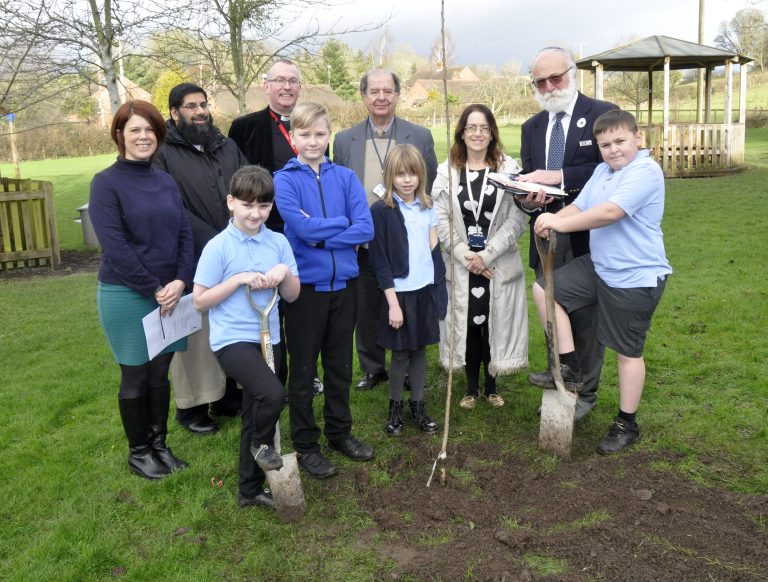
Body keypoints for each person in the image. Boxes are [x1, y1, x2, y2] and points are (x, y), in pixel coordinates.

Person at [533, 109, 671, 454]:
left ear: (638, 138)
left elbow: (610, 212)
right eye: (605, 144)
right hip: (600, 267)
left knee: (626, 353)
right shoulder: (602, 171)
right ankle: (570, 366)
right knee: (544, 290)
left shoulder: (646, 171)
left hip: (634, 276)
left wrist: (560, 225)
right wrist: (553, 218)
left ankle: (627, 423)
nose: (613, 150)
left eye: (619, 141)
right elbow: (580, 206)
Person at [89, 100, 193, 480]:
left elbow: (184, 233)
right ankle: (139, 453)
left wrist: (181, 280)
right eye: (134, 129)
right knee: (136, 374)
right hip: (128, 293)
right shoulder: (106, 183)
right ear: (120, 135)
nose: (143, 136)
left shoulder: (165, 180)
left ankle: (160, 444)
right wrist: (154, 288)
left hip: (171, 293)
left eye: (149, 129)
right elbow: (115, 246)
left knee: (160, 372)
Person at [274, 102, 375, 479]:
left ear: (328, 135)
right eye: (304, 134)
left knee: (339, 367)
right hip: (305, 291)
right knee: (302, 372)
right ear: (293, 137)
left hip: (344, 287)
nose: (313, 141)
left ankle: (339, 432)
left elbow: (365, 228)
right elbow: (299, 231)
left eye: (319, 134)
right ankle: (306, 444)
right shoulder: (284, 180)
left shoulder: (346, 178)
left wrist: (322, 233)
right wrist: (339, 226)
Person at [516, 46, 617, 421]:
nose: (548, 87)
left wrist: (557, 177)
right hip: (545, 238)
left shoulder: (602, 114)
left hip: (588, 237)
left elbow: (610, 170)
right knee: (551, 312)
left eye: (555, 78)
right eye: (540, 81)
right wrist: (526, 198)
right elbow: (528, 182)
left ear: (572, 74)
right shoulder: (532, 127)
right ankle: (561, 378)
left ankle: (586, 394)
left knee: (586, 320)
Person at [193, 165, 300, 508]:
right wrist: (238, 279)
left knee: (256, 410)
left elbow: (293, 295)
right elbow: (199, 301)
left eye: (264, 206)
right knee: (272, 394)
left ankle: (248, 490)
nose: (256, 213)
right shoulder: (218, 247)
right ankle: (261, 445)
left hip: (269, 337)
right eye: (248, 205)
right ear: (231, 203)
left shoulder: (279, 242)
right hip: (232, 340)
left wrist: (283, 273)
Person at [333, 69, 438, 391]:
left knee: (405, 302)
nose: (381, 97)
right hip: (362, 241)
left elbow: (428, 181)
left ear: (397, 95)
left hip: (405, 237)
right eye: (374, 91)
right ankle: (372, 366)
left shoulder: (419, 136)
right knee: (367, 307)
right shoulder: (344, 139)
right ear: (364, 96)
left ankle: (404, 365)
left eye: (387, 91)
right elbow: (339, 189)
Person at [154, 82, 248, 436]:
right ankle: (192, 406)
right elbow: (171, 207)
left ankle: (225, 396)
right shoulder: (164, 152)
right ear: (175, 113)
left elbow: (245, 189)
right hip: (189, 254)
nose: (200, 111)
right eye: (191, 106)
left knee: (228, 324)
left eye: (203, 104)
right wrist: (216, 241)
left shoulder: (226, 146)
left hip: (234, 251)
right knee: (194, 333)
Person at [228, 59, 323, 394]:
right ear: (265, 85)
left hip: (306, 236)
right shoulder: (245, 127)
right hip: (263, 232)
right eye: (280, 80)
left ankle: (305, 373)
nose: (286, 87)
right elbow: (237, 182)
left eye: (293, 81)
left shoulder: (312, 124)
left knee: (301, 310)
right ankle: (265, 380)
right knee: (262, 310)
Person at [432, 104, 529, 409]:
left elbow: (517, 221)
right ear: (461, 132)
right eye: (471, 127)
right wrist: (466, 256)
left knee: (492, 323)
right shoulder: (447, 172)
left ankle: (491, 386)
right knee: (470, 323)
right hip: (463, 265)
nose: (477, 133)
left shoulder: (508, 170)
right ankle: (470, 387)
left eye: (483, 128)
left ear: (491, 133)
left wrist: (485, 256)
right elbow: (442, 220)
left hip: (495, 263)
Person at [369, 144, 444, 436]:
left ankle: (418, 405)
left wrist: (439, 292)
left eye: (412, 173)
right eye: (400, 174)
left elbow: (434, 252)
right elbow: (380, 261)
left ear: (420, 175)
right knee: (400, 354)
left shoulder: (427, 207)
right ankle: (396, 406)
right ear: (390, 176)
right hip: (398, 294)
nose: (407, 180)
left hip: (424, 291)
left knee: (420, 351)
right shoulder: (382, 211)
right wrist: (393, 304)